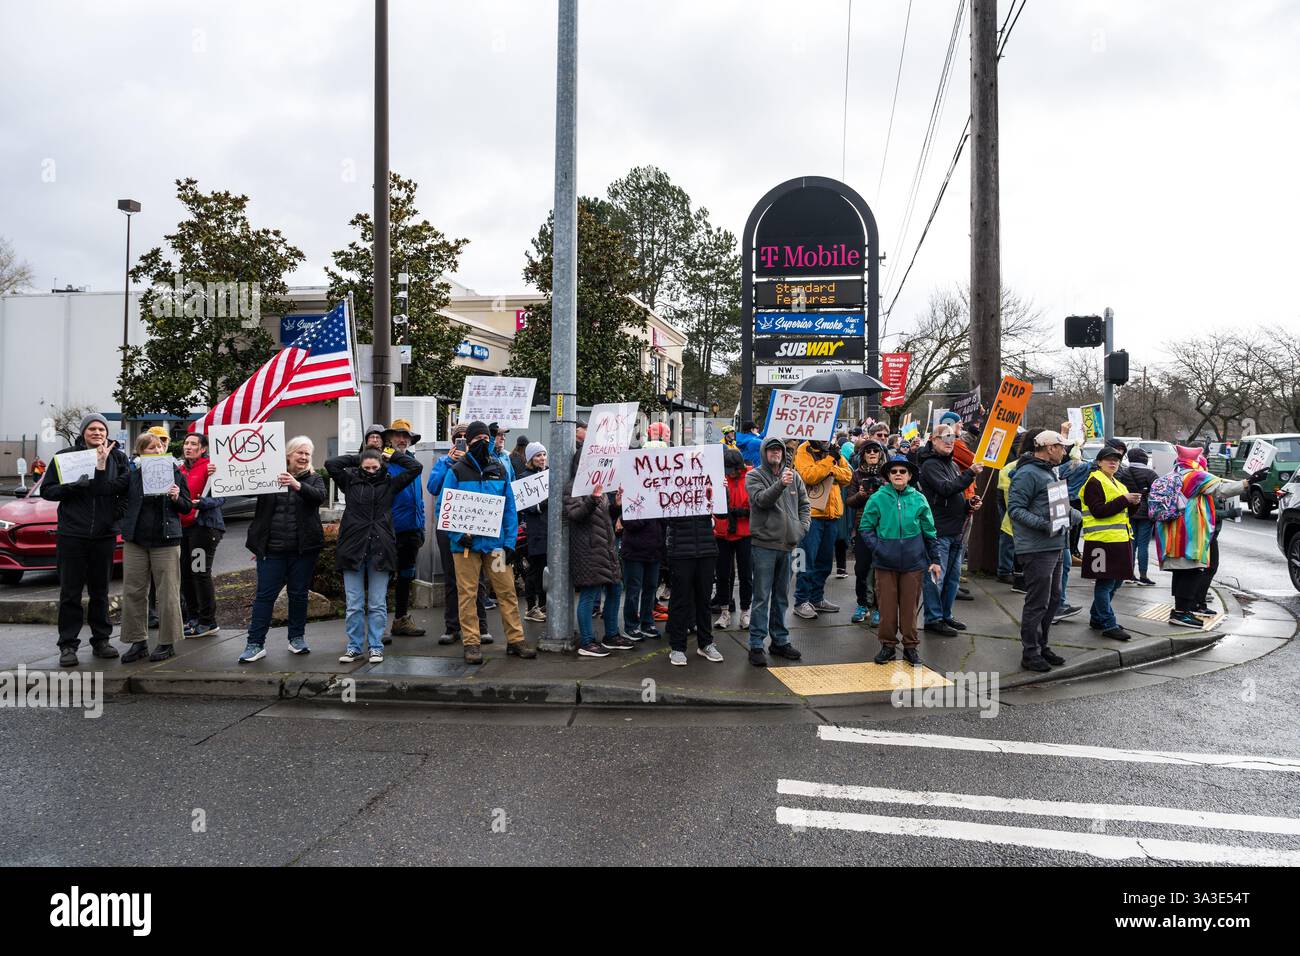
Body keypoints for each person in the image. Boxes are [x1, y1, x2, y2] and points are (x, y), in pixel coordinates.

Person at [440, 421, 535, 664]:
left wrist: (510, 544)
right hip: (465, 548)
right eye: (477, 437)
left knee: (507, 592)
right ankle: (471, 643)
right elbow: (444, 507)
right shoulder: (456, 471)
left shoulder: (500, 470)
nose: (481, 441)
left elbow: (510, 509)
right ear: (467, 441)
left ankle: (516, 640)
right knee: (468, 595)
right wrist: (457, 536)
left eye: (485, 436)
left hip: (496, 547)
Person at [43, 413, 130, 667]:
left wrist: (115, 515)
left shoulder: (117, 457)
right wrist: (71, 487)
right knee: (70, 593)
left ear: (106, 432)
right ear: (83, 432)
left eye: (101, 429)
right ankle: (68, 645)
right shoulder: (64, 457)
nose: (97, 432)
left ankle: (101, 640)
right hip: (72, 535)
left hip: (103, 535)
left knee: (100, 592)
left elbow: (126, 492)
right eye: (91, 428)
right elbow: (48, 491)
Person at [326, 444, 422, 664]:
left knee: (378, 603)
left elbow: (415, 467)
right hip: (353, 548)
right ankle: (354, 646)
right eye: (366, 468)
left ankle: (376, 647)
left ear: (381, 467)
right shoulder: (349, 482)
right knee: (354, 603)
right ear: (360, 467)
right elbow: (331, 464)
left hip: (381, 548)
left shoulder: (390, 484)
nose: (370, 471)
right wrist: (359, 457)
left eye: (374, 467)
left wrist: (391, 454)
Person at [239, 437, 325, 662]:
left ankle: (296, 638)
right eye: (300, 453)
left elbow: (318, 498)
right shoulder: (268, 476)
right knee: (264, 597)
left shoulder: (314, 480)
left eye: (308, 454)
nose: (304, 457)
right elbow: (242, 489)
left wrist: (296, 485)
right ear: (288, 454)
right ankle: (255, 644)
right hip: (271, 550)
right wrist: (217, 472)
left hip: (303, 551)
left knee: (298, 596)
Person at [1008, 430, 1081, 672]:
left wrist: (1071, 516)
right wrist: (1046, 525)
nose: (1064, 451)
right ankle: (1030, 652)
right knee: (1038, 602)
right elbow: (1016, 510)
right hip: (1038, 547)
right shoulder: (1028, 473)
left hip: (1054, 544)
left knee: (1053, 599)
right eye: (1062, 447)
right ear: (1050, 448)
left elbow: (1055, 506)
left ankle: (1041, 645)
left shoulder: (1047, 471)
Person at [116, 433, 192, 663]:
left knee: (168, 592)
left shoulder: (176, 473)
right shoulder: (133, 475)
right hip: (136, 541)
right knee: (133, 591)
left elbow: (187, 507)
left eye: (160, 447)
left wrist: (177, 497)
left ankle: (167, 642)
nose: (157, 451)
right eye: (151, 448)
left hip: (166, 541)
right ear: (141, 452)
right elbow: (114, 494)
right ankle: (138, 641)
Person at [1155, 445, 1250, 628]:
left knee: (1181, 572)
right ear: (1195, 460)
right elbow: (1221, 489)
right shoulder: (1194, 475)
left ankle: (1181, 610)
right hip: (1189, 535)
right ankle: (1182, 613)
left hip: (1172, 534)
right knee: (1192, 572)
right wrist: (1247, 482)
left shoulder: (1172, 475)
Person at [860, 455, 941, 667]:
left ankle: (910, 647)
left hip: (914, 564)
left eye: (902, 471)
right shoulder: (877, 498)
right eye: (894, 471)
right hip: (885, 563)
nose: (898, 474)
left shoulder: (919, 499)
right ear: (888, 475)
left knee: (909, 608)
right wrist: (879, 548)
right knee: (886, 608)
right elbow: (866, 527)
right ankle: (887, 646)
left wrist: (935, 559)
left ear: (909, 475)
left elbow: (929, 531)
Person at [745, 437, 809, 666]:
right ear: (764, 452)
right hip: (764, 545)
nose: (775, 453)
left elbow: (805, 504)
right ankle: (755, 644)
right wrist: (781, 484)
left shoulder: (795, 476)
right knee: (761, 597)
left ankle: (779, 640)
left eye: (778, 450)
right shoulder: (754, 475)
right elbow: (761, 500)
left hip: (789, 545)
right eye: (771, 450)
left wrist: (801, 528)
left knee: (782, 597)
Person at [426, 424, 492, 646]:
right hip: (449, 527)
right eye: (458, 438)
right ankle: (452, 627)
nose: (462, 441)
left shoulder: (485, 462)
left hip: (477, 525)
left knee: (479, 579)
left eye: (466, 438)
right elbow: (433, 487)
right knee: (452, 579)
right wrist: (448, 462)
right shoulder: (444, 462)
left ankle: (481, 626)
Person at [916, 423, 983, 636]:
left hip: (955, 530)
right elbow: (946, 490)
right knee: (937, 577)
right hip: (939, 532)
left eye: (952, 437)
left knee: (953, 578)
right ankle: (933, 618)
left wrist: (968, 504)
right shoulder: (930, 465)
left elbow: (955, 495)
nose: (949, 440)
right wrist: (970, 473)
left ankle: (945, 614)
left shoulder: (952, 464)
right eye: (944, 436)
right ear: (933, 440)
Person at [564, 455, 630, 657]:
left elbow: (603, 516)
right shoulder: (573, 487)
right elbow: (576, 515)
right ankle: (587, 641)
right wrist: (593, 499)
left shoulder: (596, 484)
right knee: (589, 595)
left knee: (615, 589)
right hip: (588, 551)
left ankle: (611, 635)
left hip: (604, 549)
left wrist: (616, 505)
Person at [1080, 445, 1141, 641]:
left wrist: (1133, 504)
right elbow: (1099, 511)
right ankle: (1107, 623)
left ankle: (1098, 617)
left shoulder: (1118, 484)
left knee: (1116, 581)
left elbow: (1125, 513)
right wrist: (1124, 500)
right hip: (1101, 541)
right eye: (1108, 459)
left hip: (1119, 540)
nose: (1113, 462)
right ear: (1099, 463)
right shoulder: (1094, 482)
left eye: (1116, 459)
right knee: (1105, 583)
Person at [792, 438, 853, 619]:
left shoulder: (832, 450)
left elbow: (848, 476)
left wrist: (830, 468)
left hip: (831, 516)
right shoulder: (804, 449)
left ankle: (816, 598)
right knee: (806, 560)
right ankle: (801, 601)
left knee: (825, 562)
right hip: (811, 516)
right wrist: (830, 463)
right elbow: (808, 475)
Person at [381, 418, 427, 639]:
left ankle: (400, 620)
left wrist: (421, 526)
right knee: (384, 578)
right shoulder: (384, 461)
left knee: (406, 576)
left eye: (405, 436)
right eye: (397, 435)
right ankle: (377, 628)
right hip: (389, 530)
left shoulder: (412, 460)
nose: (401, 439)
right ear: (389, 438)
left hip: (412, 530)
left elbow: (418, 499)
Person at [665, 499, 724, 667]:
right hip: (680, 550)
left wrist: (722, 491)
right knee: (680, 600)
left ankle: (705, 644)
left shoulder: (706, 483)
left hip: (706, 549)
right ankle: (677, 647)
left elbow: (722, 513)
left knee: (704, 600)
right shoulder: (672, 484)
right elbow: (663, 514)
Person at [178, 432, 224, 639]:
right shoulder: (179, 470)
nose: (188, 447)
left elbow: (221, 497)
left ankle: (208, 621)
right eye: (186, 443)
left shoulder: (210, 468)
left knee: (199, 572)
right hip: (182, 529)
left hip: (203, 528)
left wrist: (201, 503)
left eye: (193, 444)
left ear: (203, 448)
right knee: (186, 575)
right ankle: (193, 619)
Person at [844, 439, 886, 626]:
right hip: (864, 525)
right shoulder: (857, 474)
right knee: (861, 568)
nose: (872, 454)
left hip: (884, 526)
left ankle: (878, 607)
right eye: (868, 451)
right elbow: (850, 502)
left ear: (880, 454)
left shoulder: (888, 473)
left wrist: (885, 490)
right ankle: (862, 604)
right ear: (863, 455)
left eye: (875, 451)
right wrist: (861, 494)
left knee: (881, 569)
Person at [711, 448, 752, 630]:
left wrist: (744, 511)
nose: (729, 473)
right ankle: (725, 612)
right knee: (722, 574)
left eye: (731, 469)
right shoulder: (719, 478)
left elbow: (758, 502)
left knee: (746, 574)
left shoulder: (751, 477)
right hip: (723, 533)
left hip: (744, 533)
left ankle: (745, 612)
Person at [518, 442, 550, 622]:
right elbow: (530, 508)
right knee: (535, 571)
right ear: (531, 458)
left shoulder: (550, 474)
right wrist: (547, 500)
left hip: (550, 531)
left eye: (544, 454)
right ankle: (531, 607)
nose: (542, 458)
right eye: (538, 455)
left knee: (547, 570)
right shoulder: (524, 477)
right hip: (536, 532)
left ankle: (545, 604)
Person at [1125, 447, 1159, 586]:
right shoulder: (1150, 473)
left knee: (1131, 543)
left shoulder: (1124, 472)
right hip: (1146, 513)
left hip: (1129, 511)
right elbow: (1158, 491)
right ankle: (1143, 575)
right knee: (1143, 545)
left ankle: (1129, 573)